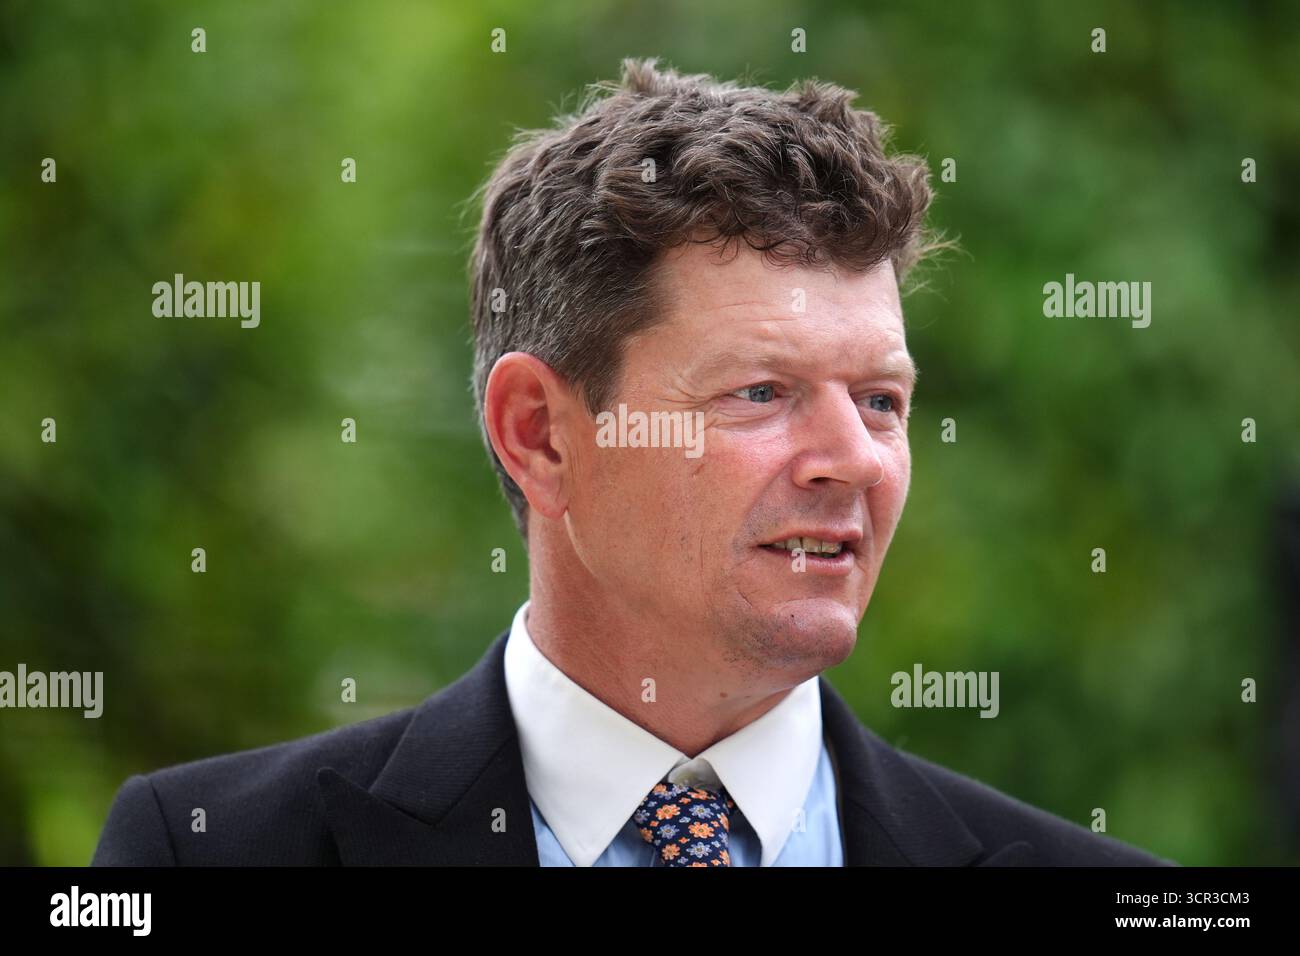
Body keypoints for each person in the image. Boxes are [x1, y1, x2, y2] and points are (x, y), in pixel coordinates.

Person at [93, 58, 1172, 867]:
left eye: (880, 400)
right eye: (762, 392)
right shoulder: (208, 848)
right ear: (541, 433)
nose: (853, 458)